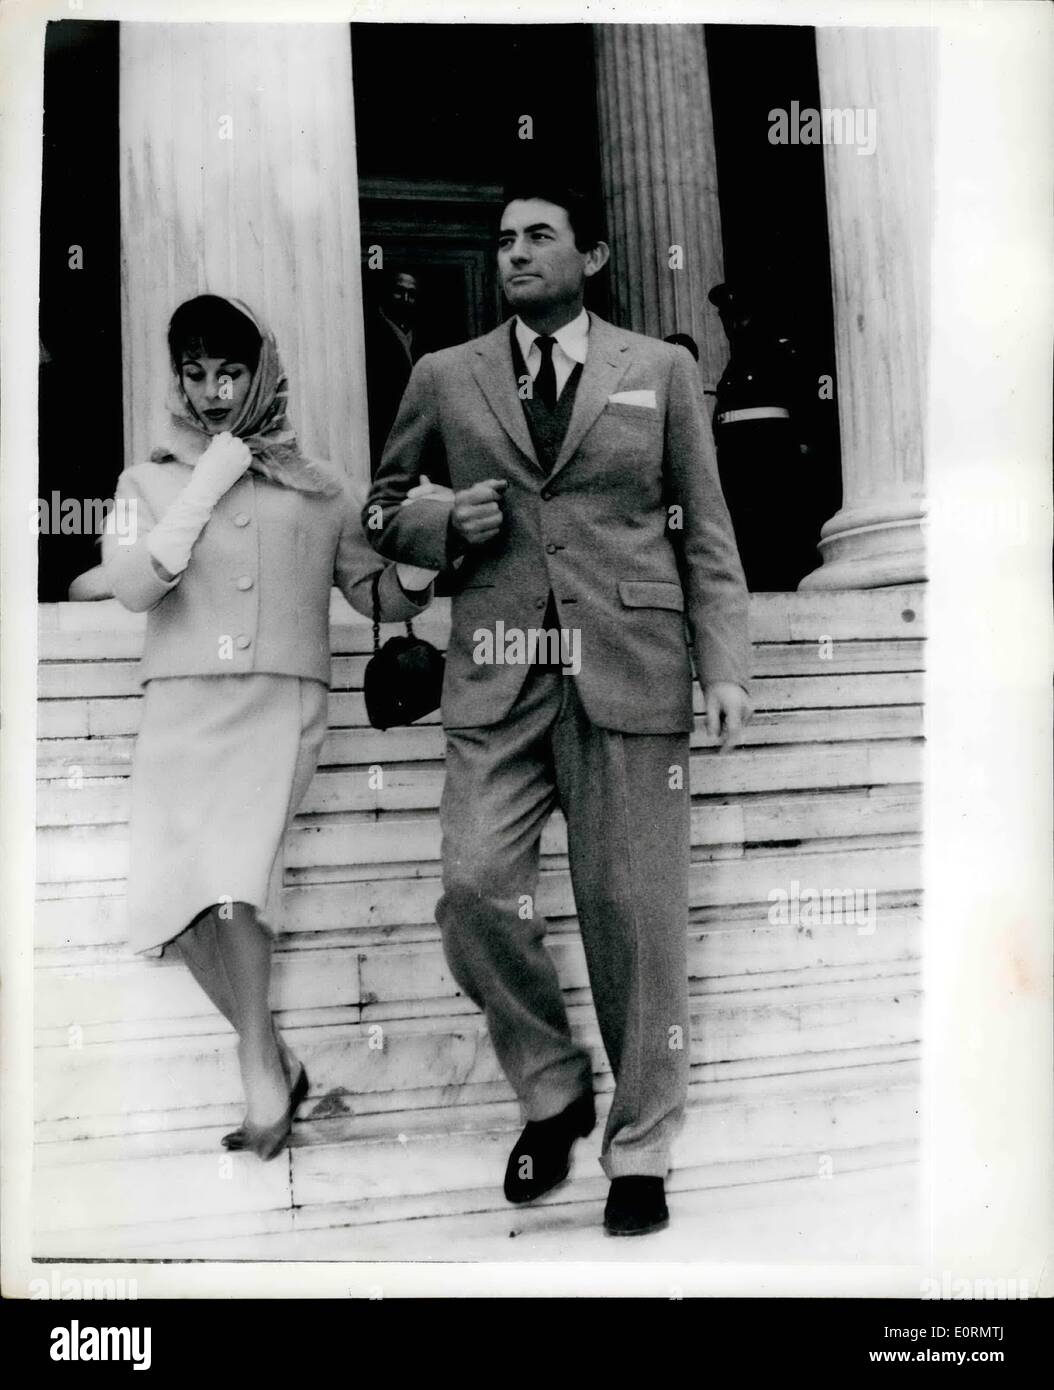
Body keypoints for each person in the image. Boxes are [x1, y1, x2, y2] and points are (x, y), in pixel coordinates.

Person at [364, 182, 751, 1235]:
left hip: (631, 662)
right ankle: (552, 1088)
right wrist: (448, 517)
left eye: (539, 237)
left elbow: (704, 528)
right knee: (473, 887)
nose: (514, 255)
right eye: (502, 242)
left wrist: (723, 665)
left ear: (594, 252)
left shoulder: (659, 370)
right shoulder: (444, 376)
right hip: (498, 667)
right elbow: (380, 509)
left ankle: (642, 1149)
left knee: (635, 916)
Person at [103, 294, 435, 1160]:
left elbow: (378, 594)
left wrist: (433, 552)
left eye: (232, 371)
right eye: (197, 372)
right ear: (178, 376)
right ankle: (275, 1059)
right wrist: (207, 479)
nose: (214, 391)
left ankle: (256, 1063)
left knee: (235, 885)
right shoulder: (147, 480)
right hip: (180, 702)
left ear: (264, 370)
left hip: (278, 704)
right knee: (179, 905)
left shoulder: (322, 487)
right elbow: (134, 585)